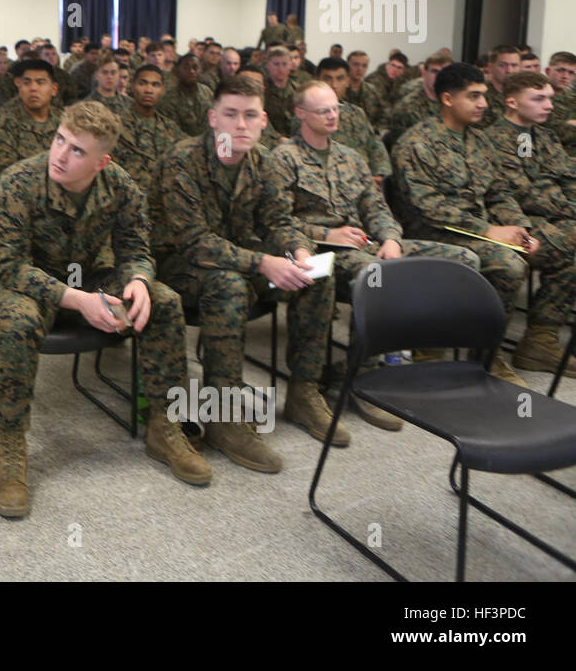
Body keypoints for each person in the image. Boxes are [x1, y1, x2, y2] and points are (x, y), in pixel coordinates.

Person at [0, 102, 209, 518]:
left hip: (84, 277)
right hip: (19, 282)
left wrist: (139, 280)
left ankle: (163, 424)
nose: (61, 155)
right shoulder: (19, 182)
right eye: (59, 140)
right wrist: (79, 301)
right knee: (18, 321)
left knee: (165, 301)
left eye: (77, 151)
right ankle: (12, 445)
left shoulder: (121, 187)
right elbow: (10, 265)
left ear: (102, 161)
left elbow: (136, 248)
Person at [266, 80, 481, 428]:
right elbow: (277, 221)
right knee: (376, 276)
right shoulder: (282, 159)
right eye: (323, 110)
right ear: (300, 114)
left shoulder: (350, 157)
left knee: (463, 261)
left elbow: (376, 208)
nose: (333, 115)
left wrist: (391, 239)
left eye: (336, 108)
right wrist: (327, 233)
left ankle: (424, 352)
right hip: (320, 252)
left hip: (365, 242)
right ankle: (363, 377)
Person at [155, 75, 340, 470]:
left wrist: (299, 251)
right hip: (179, 268)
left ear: (263, 121)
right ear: (212, 118)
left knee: (318, 276)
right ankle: (223, 416)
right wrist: (264, 263)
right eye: (231, 114)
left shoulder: (264, 161)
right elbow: (194, 242)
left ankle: (304, 392)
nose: (240, 124)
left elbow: (278, 222)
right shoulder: (181, 160)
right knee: (229, 286)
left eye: (250, 115)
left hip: (241, 260)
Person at [391, 62, 537, 386]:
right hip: (430, 233)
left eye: (484, 95)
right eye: (473, 96)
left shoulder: (480, 140)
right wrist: (489, 231)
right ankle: (428, 349)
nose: (483, 104)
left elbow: (499, 191)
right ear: (447, 98)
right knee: (485, 263)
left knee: (512, 263)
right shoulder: (417, 142)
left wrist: (518, 228)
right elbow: (427, 208)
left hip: (475, 233)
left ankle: (486, 353)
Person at [478, 71, 576, 376]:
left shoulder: (544, 136)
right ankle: (489, 349)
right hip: (513, 221)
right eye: (538, 99)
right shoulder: (495, 138)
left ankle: (540, 341)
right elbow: (520, 192)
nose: (549, 105)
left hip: (554, 219)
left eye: (549, 98)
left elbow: (569, 178)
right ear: (511, 101)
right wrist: (570, 209)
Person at [299, 58, 390, 186]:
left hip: (366, 179)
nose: (334, 85)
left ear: (348, 81)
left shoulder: (357, 113)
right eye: (327, 78)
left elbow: (374, 146)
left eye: (340, 79)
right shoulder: (308, 115)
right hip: (331, 183)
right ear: (317, 81)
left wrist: (379, 174)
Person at [113, 64, 183, 212]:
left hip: (165, 208)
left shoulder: (171, 129)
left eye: (155, 85)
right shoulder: (115, 127)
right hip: (128, 208)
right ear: (132, 86)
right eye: (142, 83)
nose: (149, 90)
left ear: (163, 89)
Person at [0, 59, 61, 181]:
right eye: (27, 83)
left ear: (54, 89)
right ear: (19, 86)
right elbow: (3, 174)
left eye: (40, 82)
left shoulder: (64, 121)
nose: (33, 88)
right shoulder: (7, 121)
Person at [385, 50, 452, 149]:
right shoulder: (407, 107)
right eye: (435, 71)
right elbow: (401, 148)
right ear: (424, 74)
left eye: (445, 72)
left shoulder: (454, 103)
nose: (440, 77)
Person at [157, 53, 214, 137]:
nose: (191, 71)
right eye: (186, 68)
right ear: (177, 71)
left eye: (195, 67)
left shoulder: (207, 92)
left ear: (201, 71)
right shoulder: (168, 98)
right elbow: (172, 131)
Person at [480, 44, 521, 127]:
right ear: (490, 67)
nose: (509, 70)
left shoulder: (523, 94)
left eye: (514, 65)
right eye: (503, 65)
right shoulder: (481, 94)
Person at [262, 47, 297, 137]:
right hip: (267, 139)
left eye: (284, 64)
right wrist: (278, 138)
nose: (280, 69)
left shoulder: (299, 91)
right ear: (267, 65)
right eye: (276, 64)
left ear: (291, 65)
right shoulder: (261, 90)